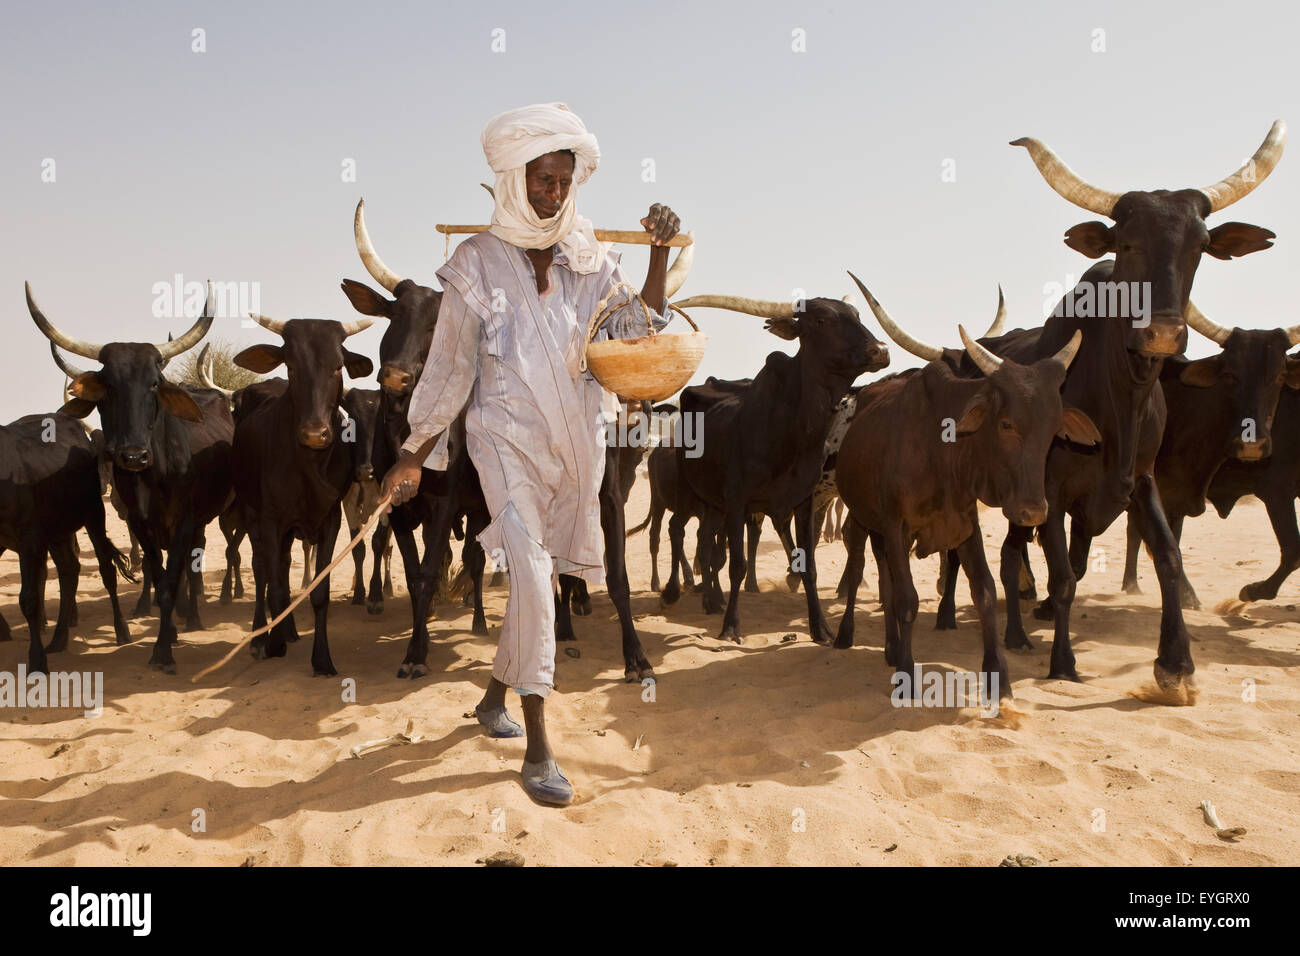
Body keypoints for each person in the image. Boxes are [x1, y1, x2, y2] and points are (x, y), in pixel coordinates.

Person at [379, 102, 680, 806]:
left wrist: (657, 252)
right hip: (502, 443)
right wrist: (413, 454)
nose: (551, 193)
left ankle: (492, 698)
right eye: (541, 179)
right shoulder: (475, 265)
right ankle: (540, 746)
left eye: (562, 181)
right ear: (516, 179)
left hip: (576, 448)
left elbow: (640, 331)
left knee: (534, 587)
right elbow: (449, 369)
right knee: (536, 577)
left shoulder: (592, 263)